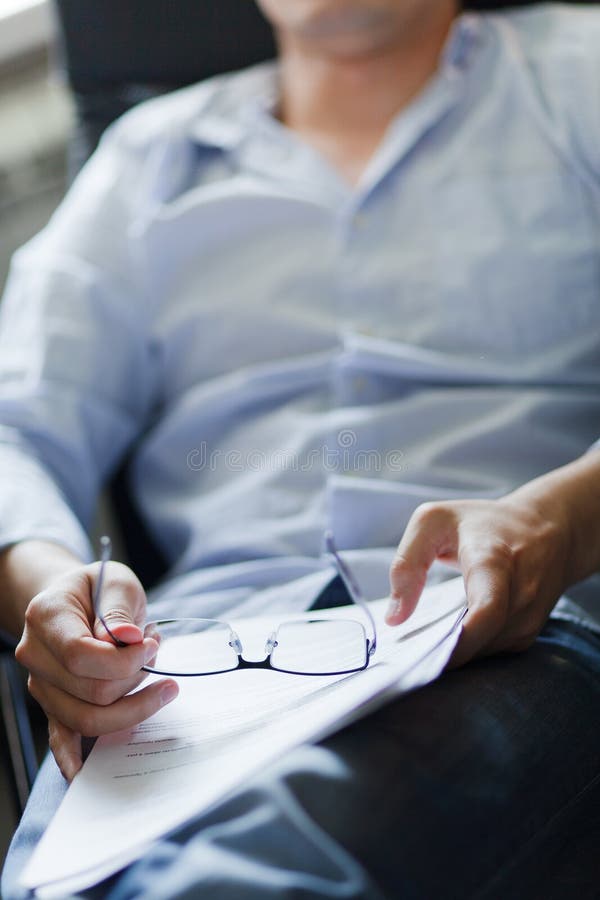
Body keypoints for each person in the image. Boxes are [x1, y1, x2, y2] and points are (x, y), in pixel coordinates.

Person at [2, 0, 600, 896]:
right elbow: (16, 427)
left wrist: (570, 517)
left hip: (501, 638)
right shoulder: (148, 159)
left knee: (261, 868)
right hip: (190, 661)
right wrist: (48, 588)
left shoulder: (581, 76)